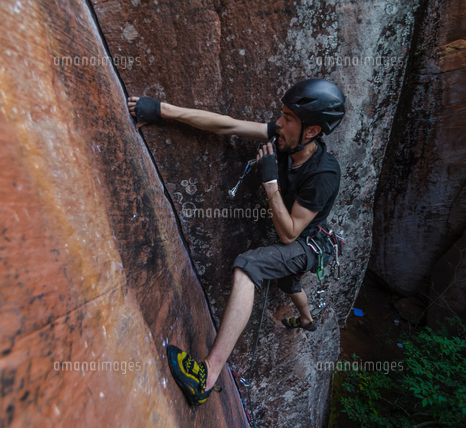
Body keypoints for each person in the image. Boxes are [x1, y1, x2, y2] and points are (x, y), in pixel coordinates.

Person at [127, 78, 345, 406]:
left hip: (309, 245)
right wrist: (162, 111)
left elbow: (289, 234)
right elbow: (227, 125)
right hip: (300, 240)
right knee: (287, 278)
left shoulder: (324, 174)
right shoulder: (286, 138)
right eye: (281, 115)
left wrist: (270, 180)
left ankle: (207, 376)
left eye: (287, 118)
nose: (278, 123)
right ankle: (306, 319)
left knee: (250, 266)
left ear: (311, 132)